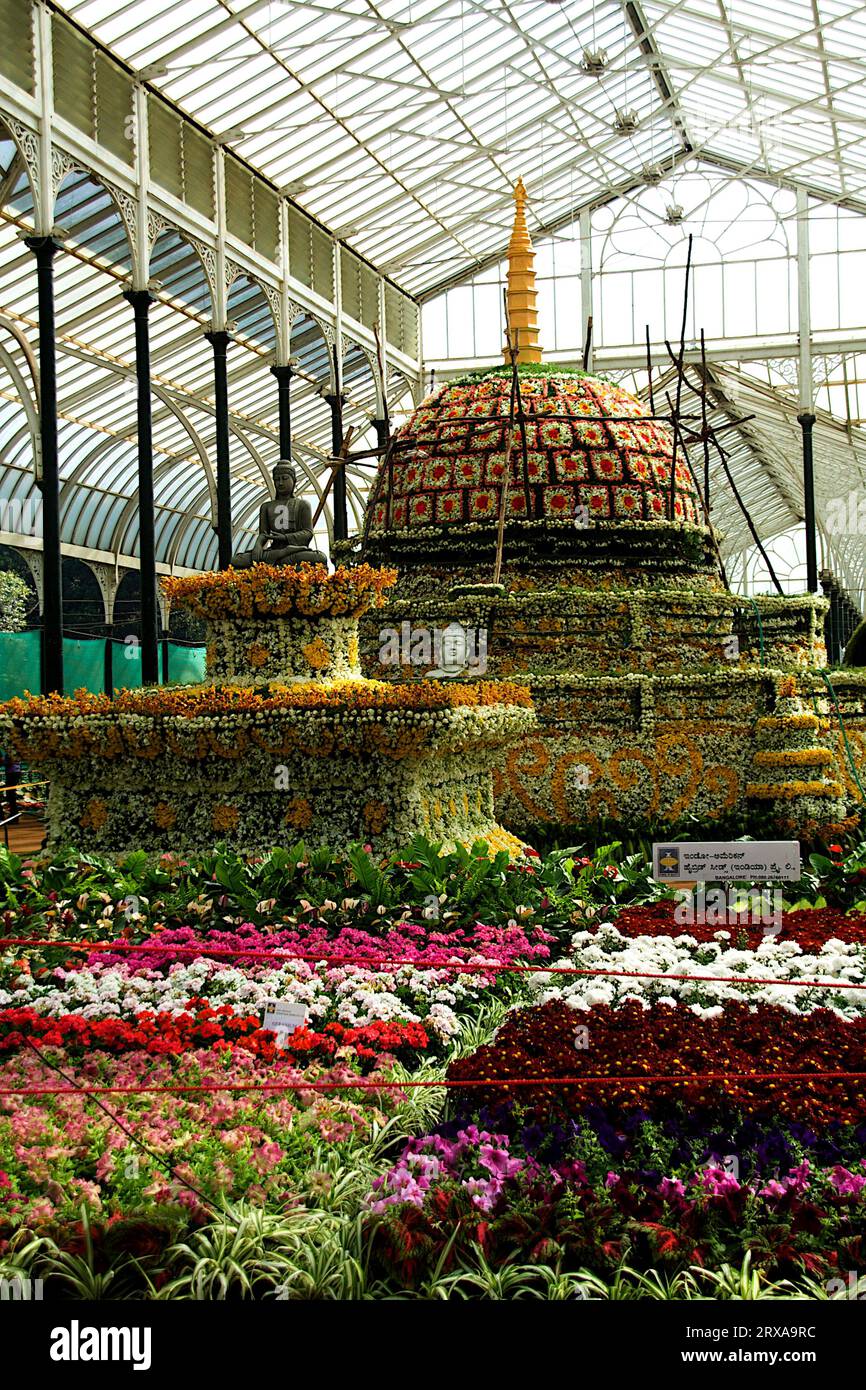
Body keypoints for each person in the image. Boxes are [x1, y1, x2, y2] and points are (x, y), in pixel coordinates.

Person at [230, 460, 329, 568]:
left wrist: (285, 538)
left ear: (294, 480)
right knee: (236, 560)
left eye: (285, 478)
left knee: (320, 558)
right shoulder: (266, 506)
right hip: (274, 550)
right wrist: (258, 546)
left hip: (296, 552)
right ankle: (280, 557)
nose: (280, 483)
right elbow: (264, 534)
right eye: (277, 479)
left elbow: (308, 533)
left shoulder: (302, 505)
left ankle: (281, 557)